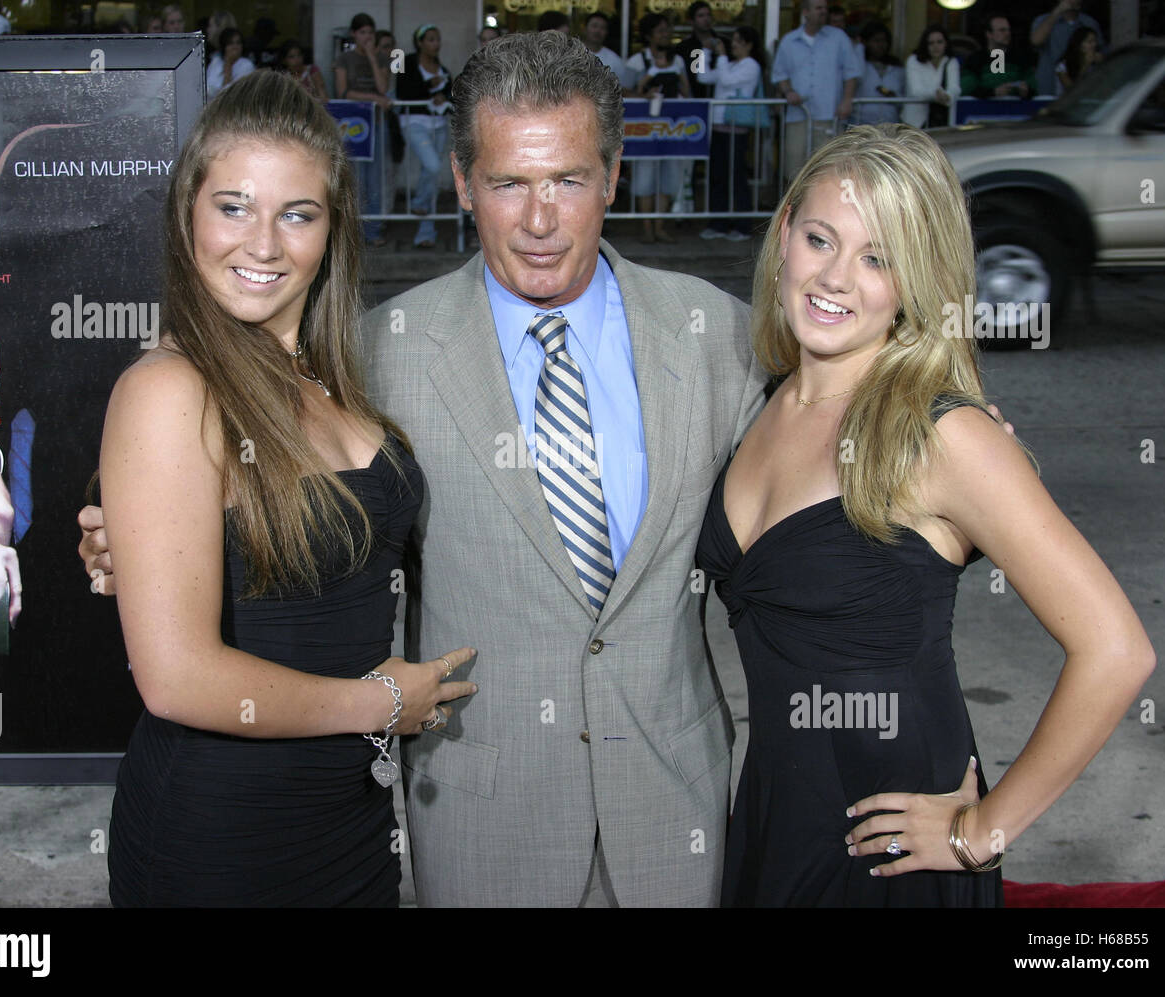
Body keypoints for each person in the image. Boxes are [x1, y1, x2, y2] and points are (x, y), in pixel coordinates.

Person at [81, 31, 770, 907]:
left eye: (566, 179)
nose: (539, 219)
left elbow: (817, 482)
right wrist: (130, 540)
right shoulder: (383, 357)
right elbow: (220, 531)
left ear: (614, 175)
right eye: (508, 183)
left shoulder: (716, 338)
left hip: (672, 812)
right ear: (461, 183)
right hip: (479, 824)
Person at [696, 122, 1154, 906]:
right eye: (821, 239)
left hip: (890, 847)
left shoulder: (945, 435)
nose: (837, 277)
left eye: (880, 258)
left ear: (916, 281)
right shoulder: (763, 402)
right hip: (774, 812)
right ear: (784, 234)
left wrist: (983, 832)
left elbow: (1117, 651)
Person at [97, 70, 477, 906]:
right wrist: (378, 700)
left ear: (332, 229)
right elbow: (174, 676)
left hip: (349, 823)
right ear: (187, 213)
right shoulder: (171, 388)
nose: (262, 243)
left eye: (296, 214)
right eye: (232, 206)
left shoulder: (329, 375)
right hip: (224, 838)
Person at [772, 0, 861, 183]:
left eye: (825, 8)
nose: (823, 12)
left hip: (828, 114)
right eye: (818, 8)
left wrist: (847, 100)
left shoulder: (839, 38)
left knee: (828, 167)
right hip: (798, 115)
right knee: (795, 167)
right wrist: (788, 91)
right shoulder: (789, 41)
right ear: (806, 12)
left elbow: (851, 73)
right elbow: (780, 74)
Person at [624, 13, 692, 243]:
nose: (666, 35)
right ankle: (647, 227)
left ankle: (661, 225)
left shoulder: (680, 60)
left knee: (669, 177)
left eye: (667, 30)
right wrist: (643, 95)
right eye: (661, 31)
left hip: (672, 129)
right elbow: (623, 90)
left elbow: (689, 89)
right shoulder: (636, 61)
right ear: (648, 35)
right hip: (646, 131)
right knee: (645, 178)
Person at [696, 25, 764, 240]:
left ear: (749, 45)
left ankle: (742, 225)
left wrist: (722, 56)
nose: (733, 44)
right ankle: (719, 223)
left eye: (737, 40)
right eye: (732, 40)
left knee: (736, 176)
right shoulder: (730, 64)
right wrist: (702, 53)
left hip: (736, 128)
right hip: (718, 126)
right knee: (718, 176)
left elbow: (725, 80)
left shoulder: (751, 66)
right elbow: (701, 77)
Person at [334, 13, 393, 247]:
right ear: (353, 34)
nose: (366, 37)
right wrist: (372, 99)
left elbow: (383, 87)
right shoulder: (344, 59)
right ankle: (353, 231)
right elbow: (342, 92)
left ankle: (373, 230)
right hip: (353, 126)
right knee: (355, 178)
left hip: (377, 123)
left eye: (370, 32)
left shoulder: (380, 57)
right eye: (362, 33)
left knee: (375, 178)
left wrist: (371, 56)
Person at [396, 24, 452, 249]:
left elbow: (450, 92)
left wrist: (442, 96)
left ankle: (425, 232)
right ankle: (419, 202)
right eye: (430, 39)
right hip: (415, 122)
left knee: (429, 175)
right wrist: (430, 86)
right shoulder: (405, 60)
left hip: (438, 123)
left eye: (437, 39)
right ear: (419, 42)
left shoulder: (442, 67)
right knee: (433, 166)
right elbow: (402, 89)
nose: (435, 44)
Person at [1030, 0, 1103, 97]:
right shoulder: (1043, 20)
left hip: (1084, 90)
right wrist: (1058, 11)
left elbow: (1100, 50)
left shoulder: (1090, 23)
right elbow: (1036, 41)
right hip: (1048, 86)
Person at [960, 13, 1036, 99]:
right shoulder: (975, 59)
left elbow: (1034, 86)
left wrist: (1027, 90)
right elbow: (966, 89)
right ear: (989, 34)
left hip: (1016, 108)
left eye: (1008, 30)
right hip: (983, 109)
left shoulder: (1021, 57)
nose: (1008, 33)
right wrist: (993, 92)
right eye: (1002, 30)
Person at [902, 24, 960, 129]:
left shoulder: (951, 61)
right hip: (914, 121)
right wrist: (936, 94)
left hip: (941, 121)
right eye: (931, 43)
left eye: (939, 42)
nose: (935, 46)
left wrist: (947, 96)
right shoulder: (913, 60)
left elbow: (955, 87)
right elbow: (916, 91)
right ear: (925, 45)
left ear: (946, 43)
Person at [852, 21, 903, 125]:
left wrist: (894, 96)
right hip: (862, 125)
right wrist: (859, 48)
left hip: (890, 125)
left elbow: (905, 97)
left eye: (884, 41)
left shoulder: (897, 67)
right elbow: (856, 79)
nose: (880, 45)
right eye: (876, 41)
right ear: (866, 42)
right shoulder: (859, 65)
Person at [675, 1, 719, 98]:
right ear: (691, 21)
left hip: (719, 98)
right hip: (694, 99)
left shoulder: (723, 43)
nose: (706, 19)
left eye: (708, 15)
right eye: (701, 16)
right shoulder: (683, 47)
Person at [206, 27, 255, 99]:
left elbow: (233, 94)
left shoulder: (247, 65)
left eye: (238, 43)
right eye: (230, 43)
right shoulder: (216, 62)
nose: (235, 47)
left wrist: (228, 67)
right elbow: (208, 89)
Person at [1055, 26, 1102, 95]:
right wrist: (1086, 65)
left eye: (1095, 41)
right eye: (1090, 42)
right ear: (1079, 45)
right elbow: (1071, 89)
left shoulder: (1097, 60)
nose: (1094, 45)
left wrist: (1103, 64)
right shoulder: (1062, 66)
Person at [581, 11, 625, 81]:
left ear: (606, 32)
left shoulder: (614, 60)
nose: (598, 31)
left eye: (602, 28)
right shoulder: (572, 54)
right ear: (584, 29)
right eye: (594, 26)